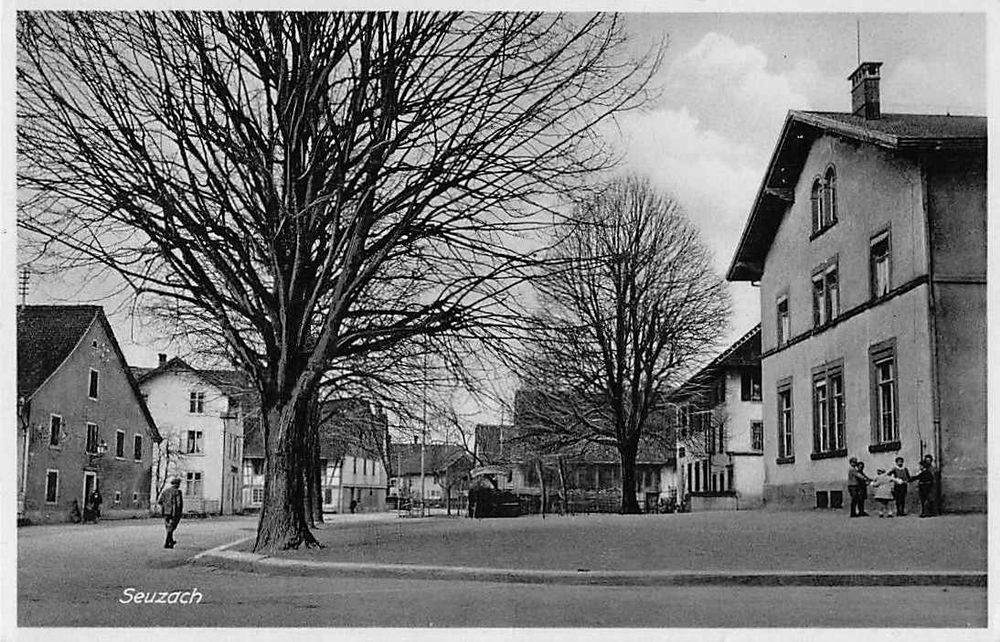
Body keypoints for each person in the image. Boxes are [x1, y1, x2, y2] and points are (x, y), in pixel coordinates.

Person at [157, 478, 184, 548]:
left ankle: (171, 542)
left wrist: (165, 507)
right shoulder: (178, 492)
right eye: (179, 484)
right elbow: (179, 503)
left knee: (168, 527)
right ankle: (167, 542)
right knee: (171, 527)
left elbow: (160, 502)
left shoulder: (165, 491)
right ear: (177, 484)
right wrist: (180, 512)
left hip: (166, 512)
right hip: (174, 513)